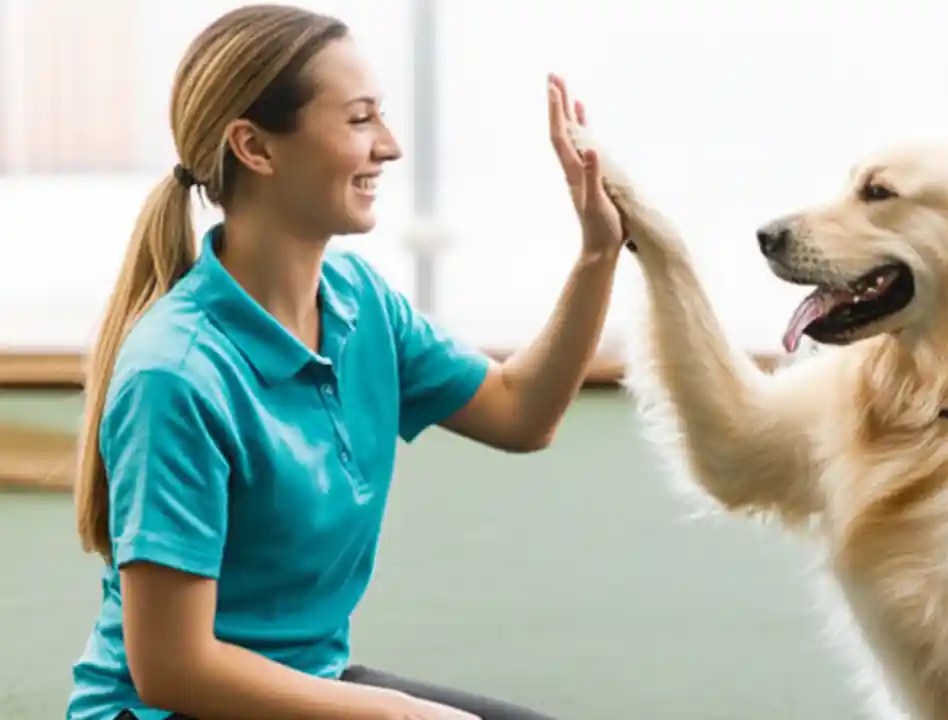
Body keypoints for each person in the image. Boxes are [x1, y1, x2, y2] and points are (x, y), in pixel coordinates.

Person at [65, 5, 624, 720]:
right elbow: (172, 669)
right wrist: (397, 714)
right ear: (255, 147)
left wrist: (597, 253)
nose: (389, 147)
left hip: (310, 685)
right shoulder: (176, 374)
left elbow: (521, 412)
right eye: (360, 119)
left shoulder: (362, 304)